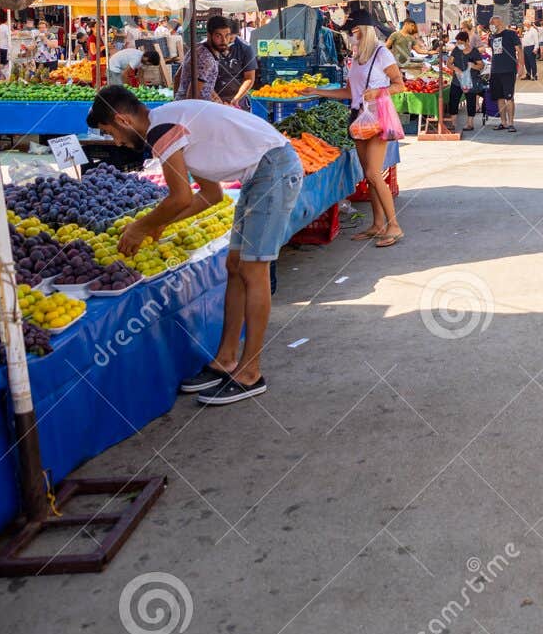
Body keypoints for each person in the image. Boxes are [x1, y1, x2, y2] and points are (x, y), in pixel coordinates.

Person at [87, 85, 299, 404]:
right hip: (263, 173)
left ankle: (251, 372)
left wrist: (141, 226)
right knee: (235, 266)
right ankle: (227, 358)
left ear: (121, 119)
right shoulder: (172, 121)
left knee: (253, 271)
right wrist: (158, 223)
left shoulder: (161, 129)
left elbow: (180, 197)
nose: (116, 142)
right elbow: (210, 195)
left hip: (273, 171)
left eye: (110, 132)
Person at [305, 25, 406, 245]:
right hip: (358, 118)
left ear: (363, 30)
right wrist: (316, 91)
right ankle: (378, 224)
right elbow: (349, 92)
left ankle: (395, 226)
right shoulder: (356, 56)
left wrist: (379, 91)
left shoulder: (382, 52)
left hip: (378, 116)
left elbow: (400, 85)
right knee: (368, 174)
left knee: (373, 172)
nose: (349, 35)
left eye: (353, 30)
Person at [187, 14, 257, 107]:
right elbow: (198, 86)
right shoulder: (205, 54)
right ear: (210, 36)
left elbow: (249, 78)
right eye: (220, 36)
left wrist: (236, 99)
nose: (226, 42)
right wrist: (217, 100)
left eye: (230, 38)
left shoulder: (245, 48)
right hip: (210, 104)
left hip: (236, 101)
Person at [487, 14, 522, 131]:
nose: (491, 26)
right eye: (490, 24)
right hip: (496, 70)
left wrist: (521, 66)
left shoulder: (511, 34)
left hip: (508, 69)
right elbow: (493, 54)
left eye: (493, 24)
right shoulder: (491, 37)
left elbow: (519, 50)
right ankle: (503, 122)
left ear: (500, 23)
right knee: (499, 98)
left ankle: (511, 123)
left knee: (509, 97)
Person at [447, 29, 484, 133]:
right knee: (453, 100)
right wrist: (455, 68)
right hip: (457, 81)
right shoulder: (456, 50)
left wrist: (473, 66)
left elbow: (481, 65)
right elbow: (449, 63)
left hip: (470, 81)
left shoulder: (474, 51)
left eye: (461, 43)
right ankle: (453, 123)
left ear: (467, 41)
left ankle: (470, 123)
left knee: (471, 101)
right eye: (457, 43)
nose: (459, 45)